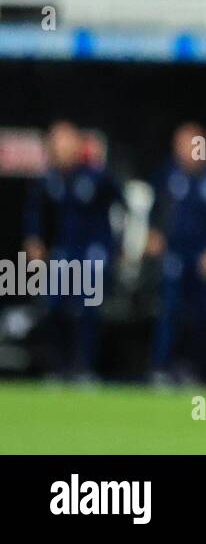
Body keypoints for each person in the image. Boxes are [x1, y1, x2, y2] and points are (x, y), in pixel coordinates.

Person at [23, 122, 124, 378]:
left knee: (88, 308)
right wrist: (35, 239)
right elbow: (36, 213)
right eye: (57, 144)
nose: (62, 149)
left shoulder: (96, 177)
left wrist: (116, 247)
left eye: (66, 143)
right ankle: (59, 367)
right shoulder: (49, 179)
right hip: (64, 252)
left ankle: (85, 368)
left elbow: (121, 209)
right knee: (53, 307)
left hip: (92, 252)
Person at [146, 122, 206, 382]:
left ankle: (197, 370)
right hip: (175, 252)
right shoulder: (169, 173)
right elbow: (157, 211)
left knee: (201, 314)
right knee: (169, 309)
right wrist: (154, 234)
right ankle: (161, 368)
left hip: (204, 255)